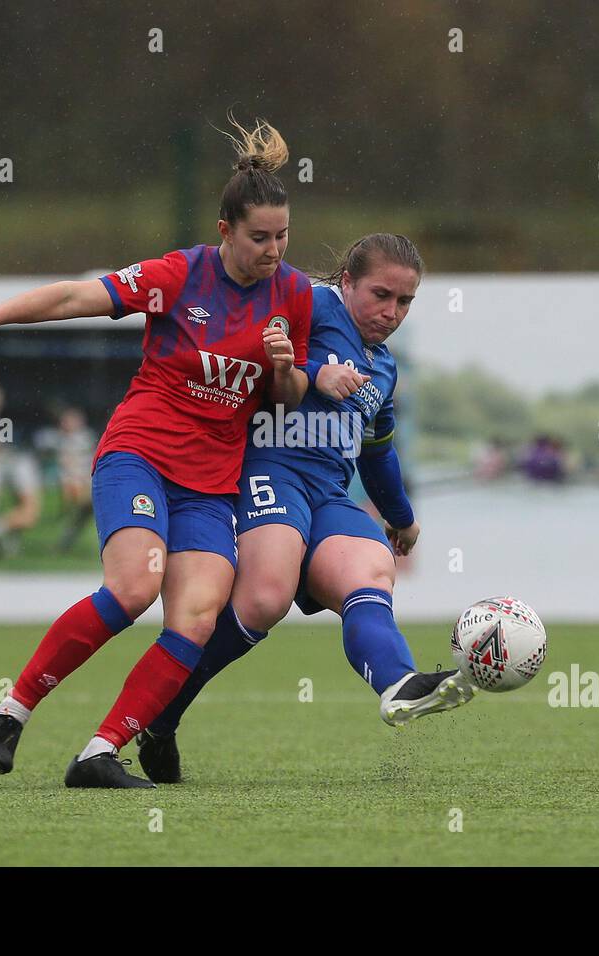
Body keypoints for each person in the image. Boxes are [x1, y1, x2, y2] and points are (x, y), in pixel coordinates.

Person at [0, 118, 313, 788]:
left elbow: (287, 399)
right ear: (225, 230)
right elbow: (79, 294)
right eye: (259, 238)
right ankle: (11, 712)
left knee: (195, 616)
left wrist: (284, 370)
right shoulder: (178, 275)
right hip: (140, 455)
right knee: (134, 589)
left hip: (211, 485)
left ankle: (98, 753)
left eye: (282, 236)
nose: (273, 249)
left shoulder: (294, 295)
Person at [135, 233, 474, 784]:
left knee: (370, 570)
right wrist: (316, 370)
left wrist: (403, 517)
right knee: (265, 597)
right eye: (380, 294)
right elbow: (242, 337)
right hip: (264, 471)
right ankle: (159, 716)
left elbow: (378, 453)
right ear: (346, 282)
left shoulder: (383, 368)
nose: (392, 313)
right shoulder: (307, 302)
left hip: (327, 495)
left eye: (405, 302)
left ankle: (396, 683)